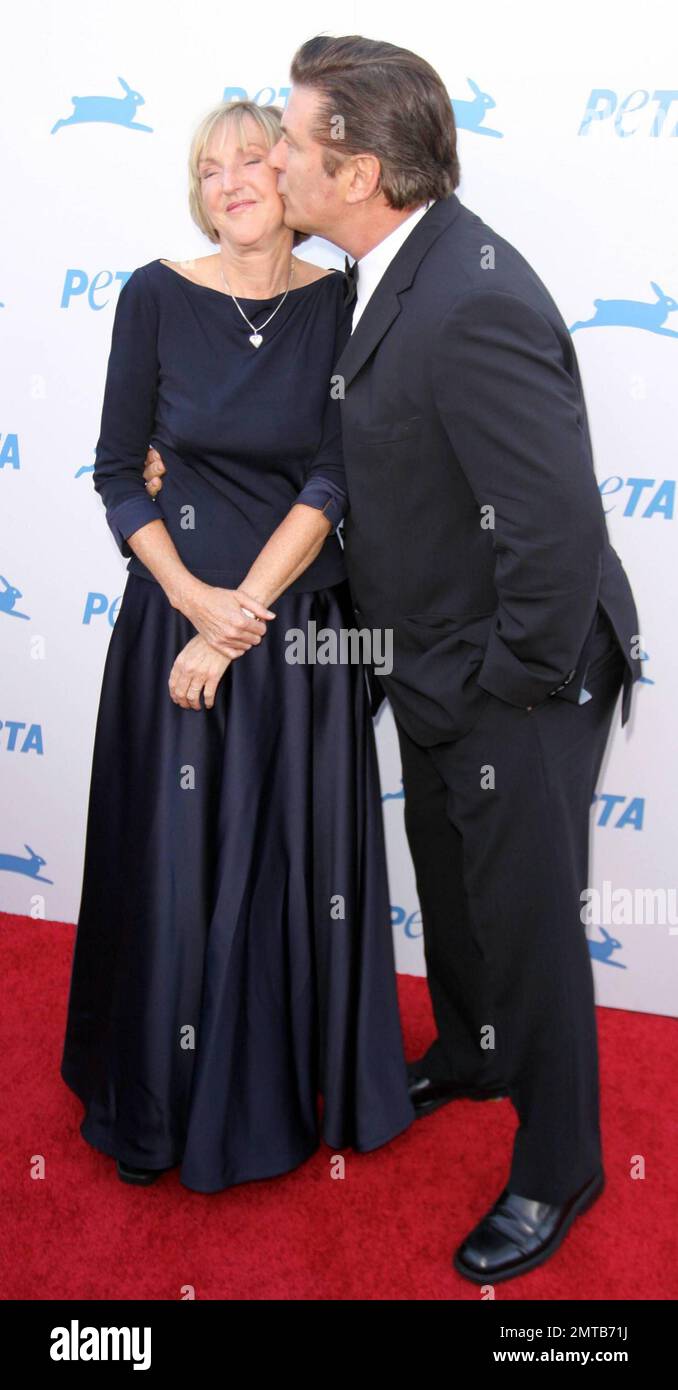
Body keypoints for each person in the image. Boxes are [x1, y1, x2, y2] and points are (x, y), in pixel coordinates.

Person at [260, 34, 640, 1283]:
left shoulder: (470, 295)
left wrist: (503, 691)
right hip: (437, 660)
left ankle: (561, 1163)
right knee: (457, 880)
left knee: (526, 918)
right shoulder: (395, 267)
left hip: (517, 675)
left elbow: (553, 534)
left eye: (292, 138)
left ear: (357, 171)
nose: (272, 156)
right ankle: (476, 1051)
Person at [59, 97, 415, 1194]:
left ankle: (280, 1088)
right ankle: (159, 1099)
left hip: (299, 630)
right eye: (211, 168)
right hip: (173, 616)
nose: (234, 181)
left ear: (296, 179)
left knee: (286, 867)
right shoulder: (155, 296)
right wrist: (193, 602)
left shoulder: (346, 301)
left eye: (256, 159)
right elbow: (121, 471)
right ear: (197, 189)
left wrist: (239, 616)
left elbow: (335, 474)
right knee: (174, 865)